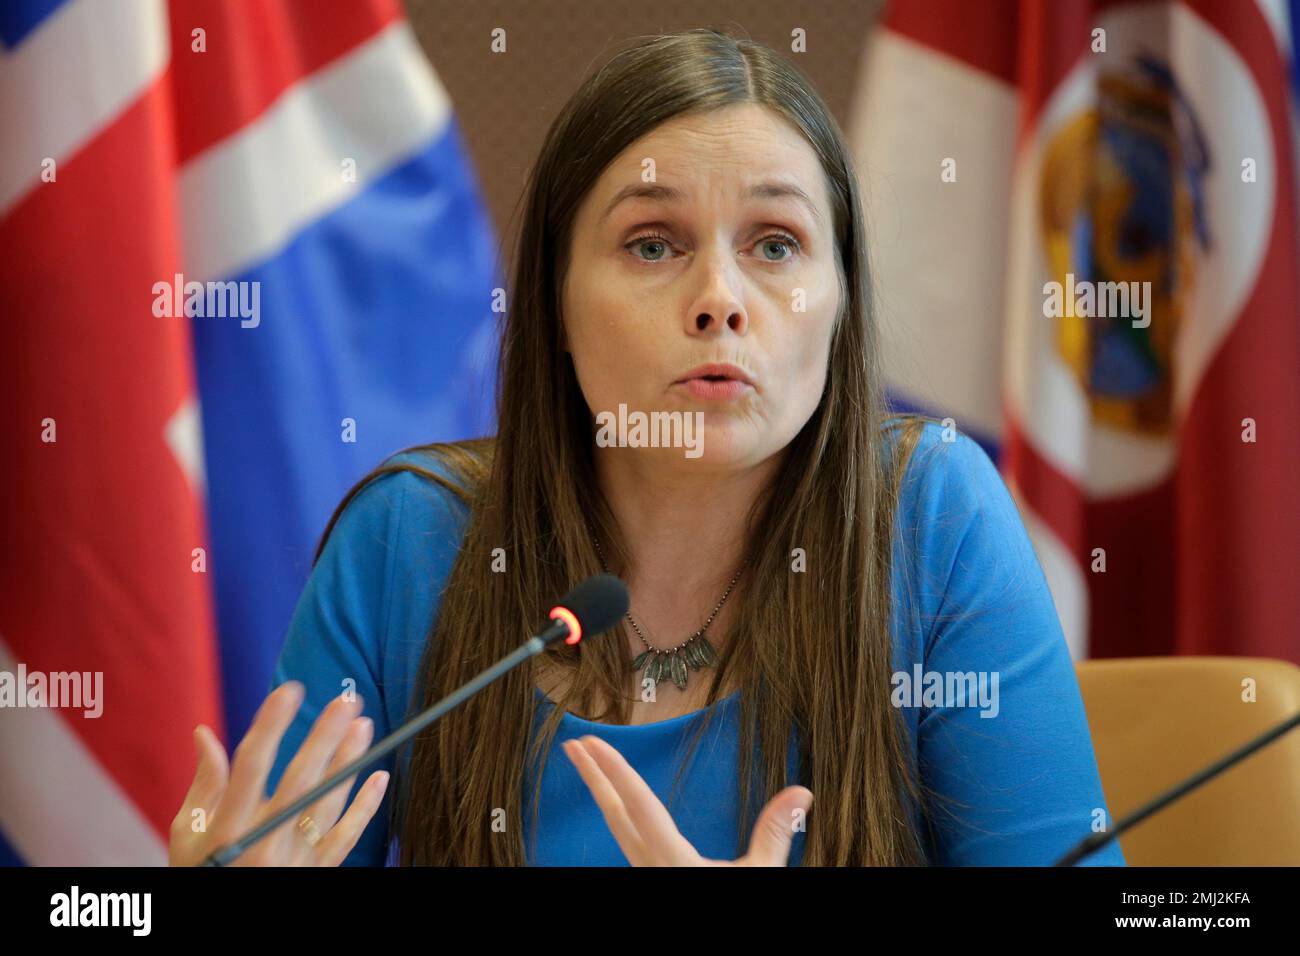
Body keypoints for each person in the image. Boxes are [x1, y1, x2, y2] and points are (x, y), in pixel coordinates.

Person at [169, 27, 1125, 867]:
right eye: (654, 244)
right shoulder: (408, 542)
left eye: (777, 244)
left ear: (841, 308)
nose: (720, 297)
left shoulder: (932, 516)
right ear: (557, 308)